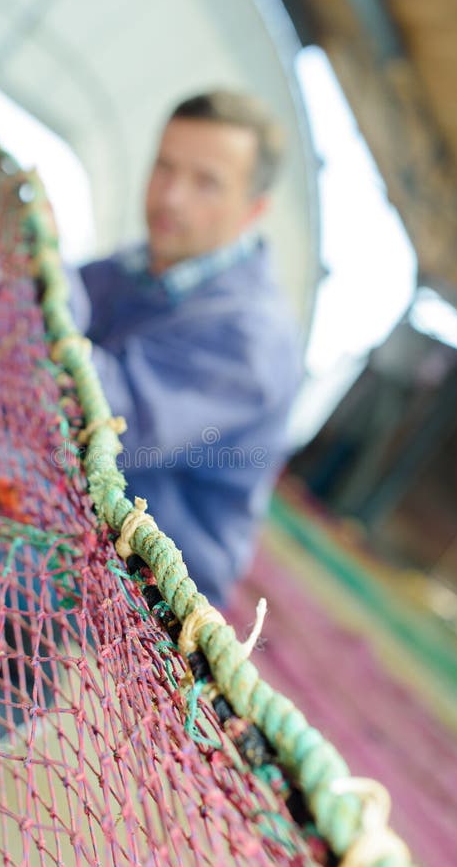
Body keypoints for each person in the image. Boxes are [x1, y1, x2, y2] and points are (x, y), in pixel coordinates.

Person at [71, 90, 303, 606]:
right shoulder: (146, 262)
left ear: (253, 210)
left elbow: (111, 423)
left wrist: (41, 281)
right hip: (96, 501)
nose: (171, 197)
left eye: (207, 183)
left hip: (165, 567)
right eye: (165, 168)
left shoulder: (251, 335)